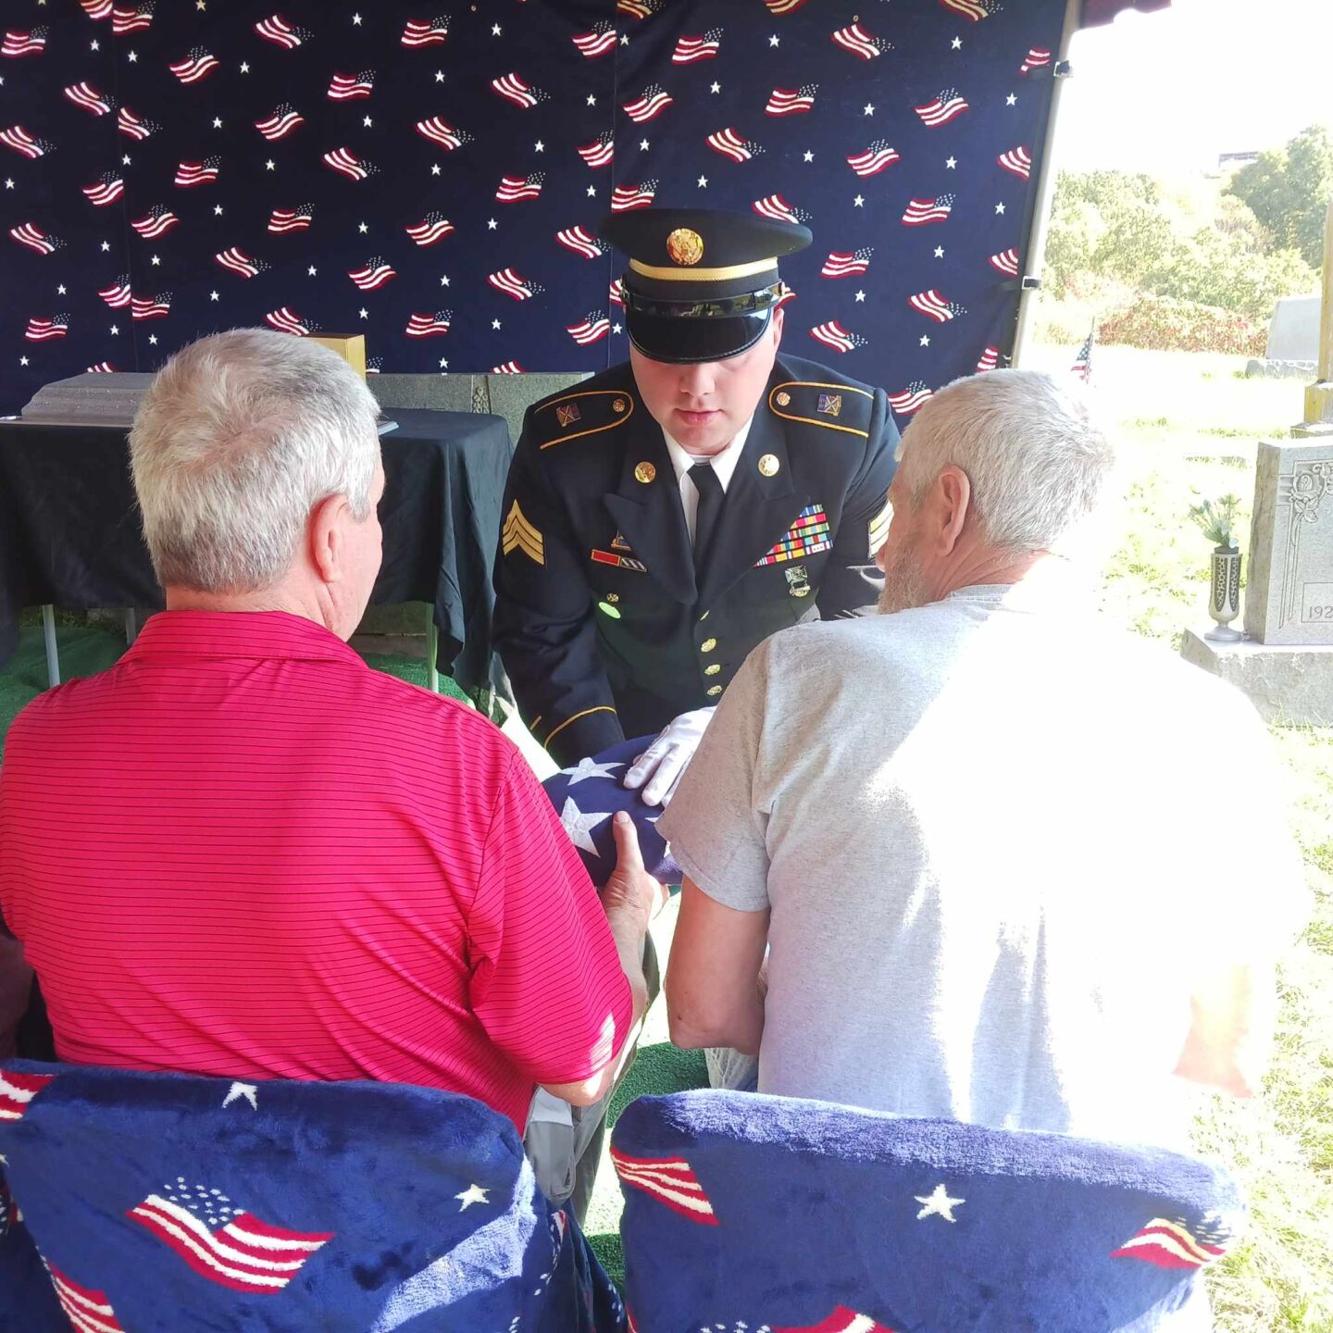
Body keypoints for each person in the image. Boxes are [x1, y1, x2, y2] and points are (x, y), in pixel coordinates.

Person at [0, 330, 662, 1207]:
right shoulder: (458, 759)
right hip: (403, 1270)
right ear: (326, 537)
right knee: (612, 997)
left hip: (142, 1256)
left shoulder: (34, 745)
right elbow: (580, 1065)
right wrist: (623, 923)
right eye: (374, 511)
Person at [660, 368, 1308, 1150]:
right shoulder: (1216, 723)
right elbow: (1228, 1056)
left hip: (835, 1220)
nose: (882, 540)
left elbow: (702, 1009)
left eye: (894, 505)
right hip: (1089, 1240)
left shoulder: (795, 674)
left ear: (948, 506)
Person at [493, 207, 899, 799]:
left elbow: (864, 621)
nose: (698, 386)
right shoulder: (565, 446)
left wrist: (756, 729)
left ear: (778, 326)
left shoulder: (847, 439)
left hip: (788, 724)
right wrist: (619, 776)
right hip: (620, 731)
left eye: (729, 351)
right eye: (669, 352)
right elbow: (542, 632)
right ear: (630, 329)